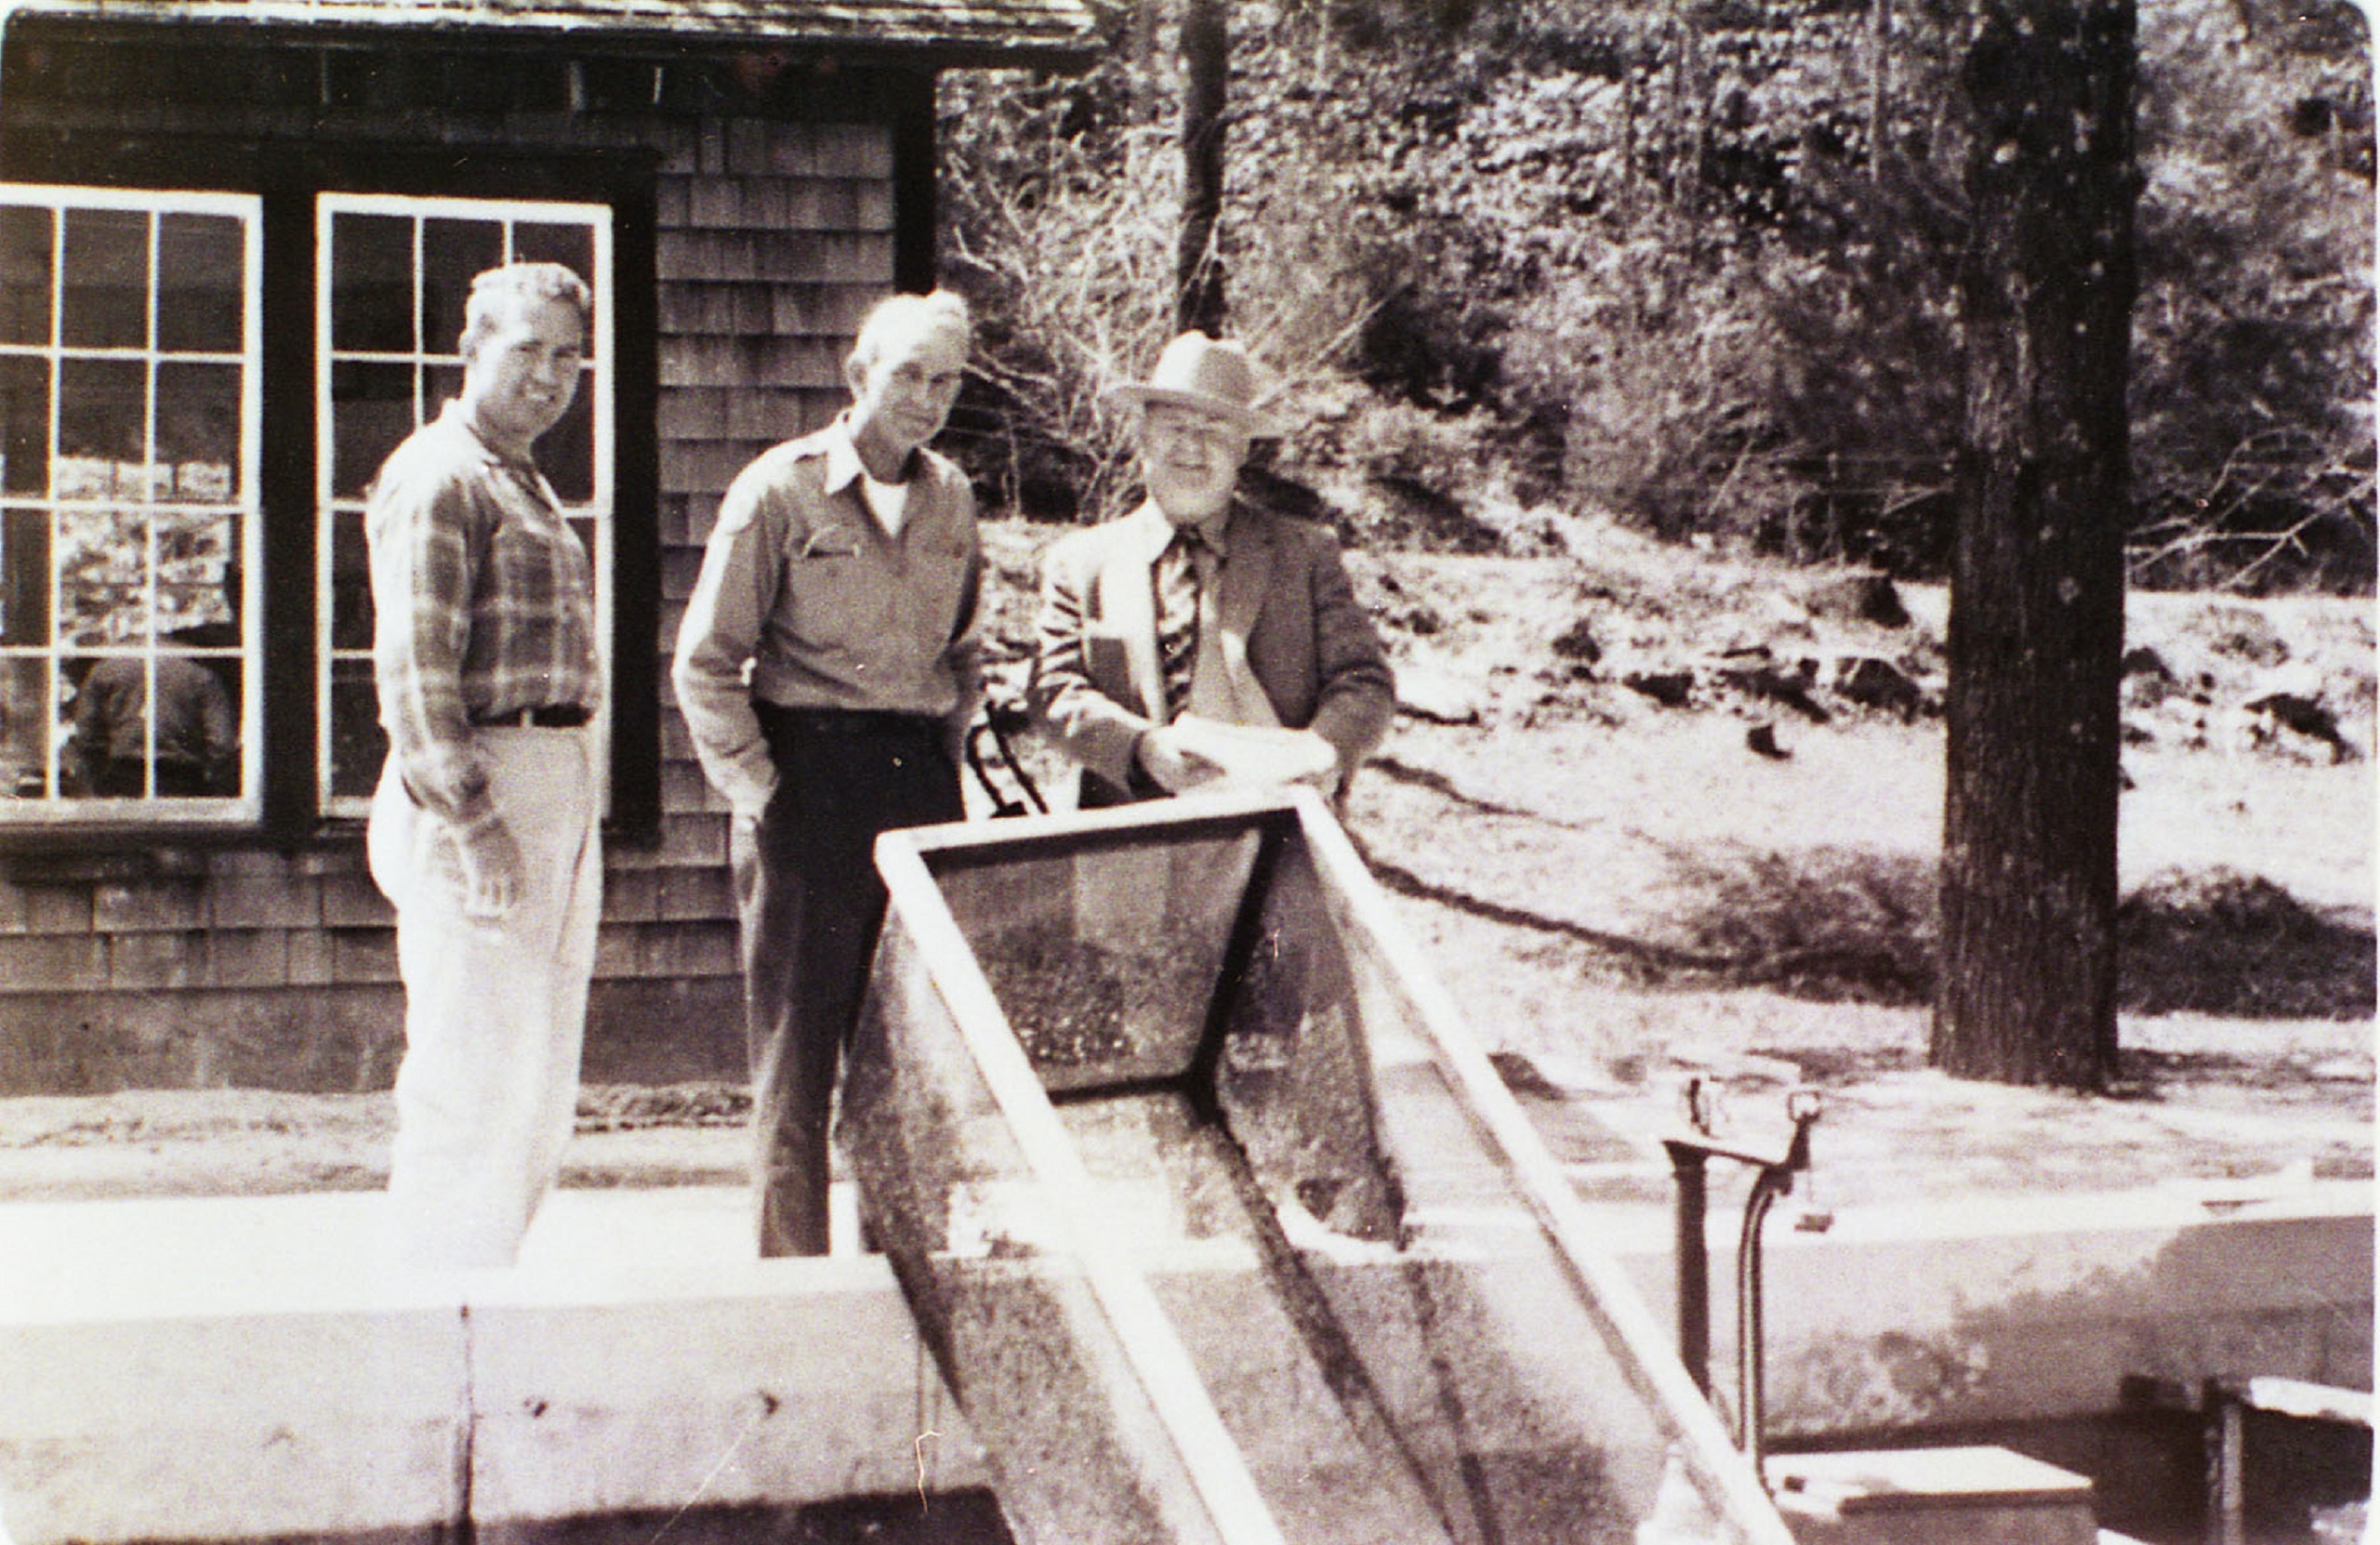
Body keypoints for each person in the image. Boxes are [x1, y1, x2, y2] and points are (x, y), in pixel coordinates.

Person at [672, 289, 983, 1258]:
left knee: (910, 1064)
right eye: (906, 375)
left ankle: (907, 1282)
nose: (924, 399)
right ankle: (790, 1294)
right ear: (858, 378)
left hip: (917, 790)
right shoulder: (779, 490)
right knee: (798, 1069)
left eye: (944, 380)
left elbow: (963, 653)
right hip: (807, 782)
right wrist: (765, 791)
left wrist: (947, 756)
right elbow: (705, 664)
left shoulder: (955, 498)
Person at [363, 261, 603, 1270]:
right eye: (525, 351)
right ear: (471, 354)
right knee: (468, 1080)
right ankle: (428, 1333)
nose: (548, 376)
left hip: (551, 780)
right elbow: (417, 670)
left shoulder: (519, 474)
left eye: (567, 357)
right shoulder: (440, 472)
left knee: (533, 1086)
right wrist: (474, 822)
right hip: (483, 792)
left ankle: (486, 1313)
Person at [1028, 331, 1394, 807]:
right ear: (1143, 433)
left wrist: (1324, 750)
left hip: (1278, 825)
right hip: (1133, 838)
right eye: (1176, 426)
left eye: (1216, 430)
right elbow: (1054, 690)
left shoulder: (1304, 554)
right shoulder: (1080, 563)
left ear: (1243, 449)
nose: (1193, 447)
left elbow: (1363, 679)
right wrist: (1141, 750)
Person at [73, 652, 236, 797]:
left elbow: (87, 734)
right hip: (183, 776)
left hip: (123, 773)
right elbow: (221, 741)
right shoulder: (199, 671)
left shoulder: (105, 669)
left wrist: (97, 771)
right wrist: (212, 776)